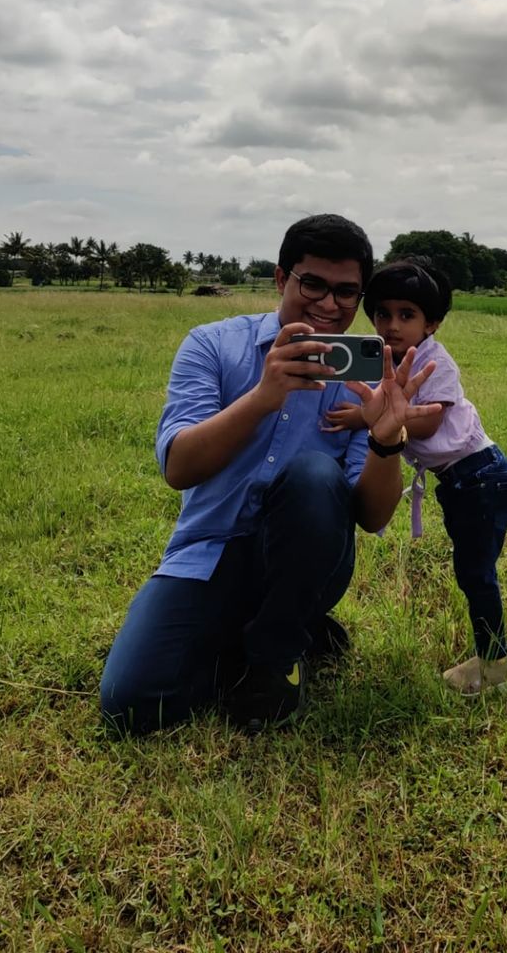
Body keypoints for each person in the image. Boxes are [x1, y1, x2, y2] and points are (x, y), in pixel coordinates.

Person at [100, 215, 439, 735]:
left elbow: (371, 517)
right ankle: (277, 635)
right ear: (282, 279)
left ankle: (276, 654)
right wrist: (263, 396)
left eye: (347, 292)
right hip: (207, 555)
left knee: (312, 475)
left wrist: (385, 438)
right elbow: (179, 468)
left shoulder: (364, 377)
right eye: (314, 284)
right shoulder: (213, 345)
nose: (329, 304)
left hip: (309, 556)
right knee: (135, 704)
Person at [325, 258, 507, 695]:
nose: (392, 325)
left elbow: (429, 422)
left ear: (432, 323)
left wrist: (364, 417)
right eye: (382, 314)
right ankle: (492, 655)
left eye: (407, 315)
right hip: (461, 482)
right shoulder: (385, 359)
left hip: (481, 476)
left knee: (476, 572)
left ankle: (495, 663)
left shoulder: (436, 363)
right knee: (472, 569)